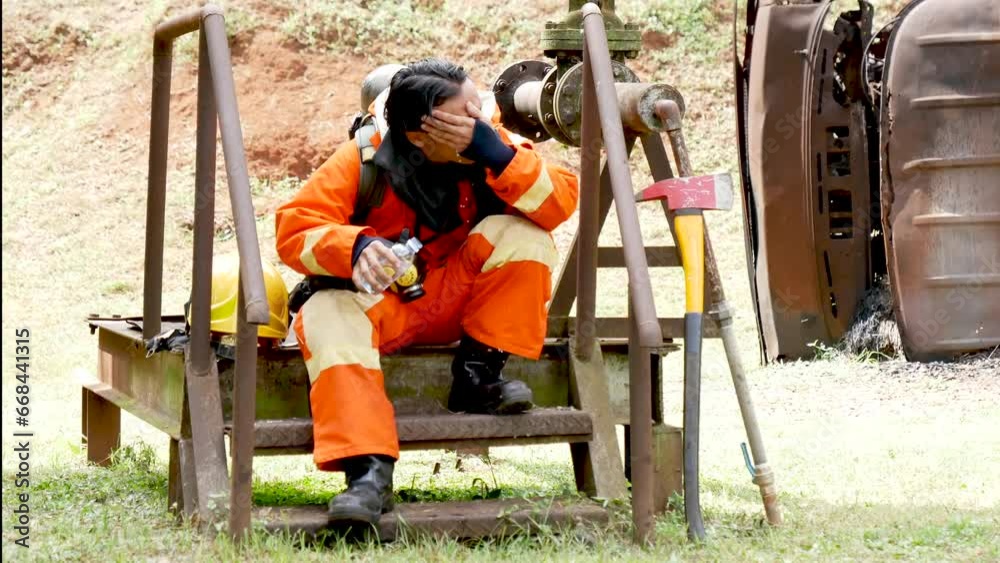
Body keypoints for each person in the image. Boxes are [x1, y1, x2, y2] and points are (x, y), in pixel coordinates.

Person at [275, 58, 579, 525]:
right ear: (420, 135)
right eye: (466, 116)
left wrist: (497, 155)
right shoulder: (365, 156)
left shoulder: (489, 137)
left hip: (458, 298)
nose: (480, 120)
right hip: (383, 305)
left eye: (478, 108)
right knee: (323, 311)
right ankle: (367, 472)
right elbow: (294, 230)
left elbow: (560, 201)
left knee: (527, 237)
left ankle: (478, 377)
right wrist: (355, 246)